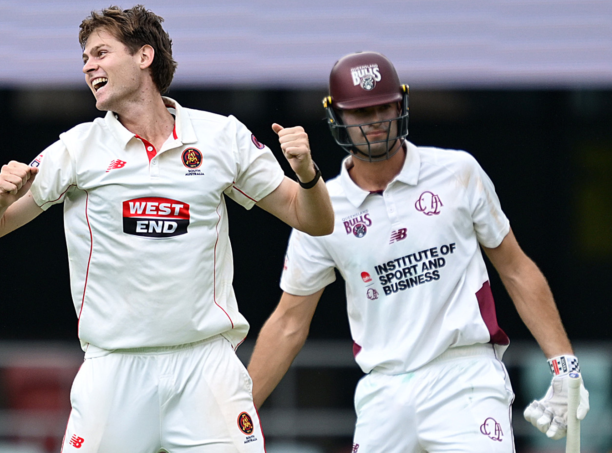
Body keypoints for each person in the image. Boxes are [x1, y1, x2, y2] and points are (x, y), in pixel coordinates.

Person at [0, 5, 334, 453]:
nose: (88, 67)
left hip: (205, 367)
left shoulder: (221, 137)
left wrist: (308, 174)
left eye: (100, 53)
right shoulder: (77, 149)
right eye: (84, 60)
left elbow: (314, 219)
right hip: (114, 370)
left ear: (144, 56)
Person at [246, 51, 590, 452]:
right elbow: (289, 323)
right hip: (383, 388)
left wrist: (565, 366)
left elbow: (516, 269)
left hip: (465, 378)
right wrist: (238, 414)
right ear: (337, 117)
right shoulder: (323, 207)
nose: (373, 121)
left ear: (400, 105)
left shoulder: (459, 172)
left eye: (382, 107)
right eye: (360, 112)